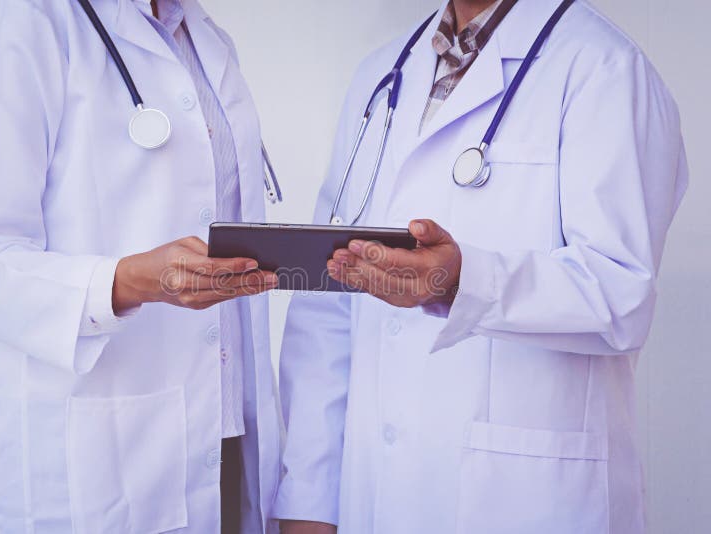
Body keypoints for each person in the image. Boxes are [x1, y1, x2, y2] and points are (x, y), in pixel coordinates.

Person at [274, 0, 687, 532]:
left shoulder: (605, 69)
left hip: (523, 499)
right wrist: (307, 501)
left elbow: (620, 293)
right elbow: (328, 303)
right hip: (369, 492)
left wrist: (463, 280)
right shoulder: (382, 76)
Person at [0, 0, 282, 532]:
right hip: (106, 457)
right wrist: (125, 281)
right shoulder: (26, 24)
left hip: (227, 440)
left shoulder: (207, 38)